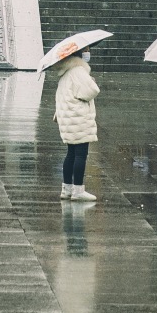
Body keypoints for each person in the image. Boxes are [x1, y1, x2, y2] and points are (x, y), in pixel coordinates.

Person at [52, 48, 100, 202]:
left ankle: (66, 189)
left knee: (71, 154)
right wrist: (92, 82)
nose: (88, 53)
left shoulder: (66, 71)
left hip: (68, 119)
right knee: (81, 154)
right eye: (86, 51)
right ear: (79, 54)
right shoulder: (78, 71)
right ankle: (78, 190)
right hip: (78, 118)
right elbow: (90, 92)